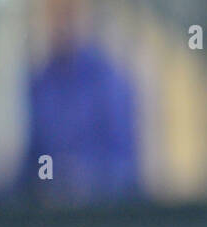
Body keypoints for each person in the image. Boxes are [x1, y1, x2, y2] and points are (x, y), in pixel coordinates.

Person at [19, 0, 140, 202]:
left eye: (67, 14)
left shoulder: (111, 81)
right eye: (53, 15)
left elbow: (125, 168)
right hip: (49, 217)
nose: (60, 25)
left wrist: (79, 179)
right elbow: (31, 164)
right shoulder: (39, 82)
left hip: (101, 216)